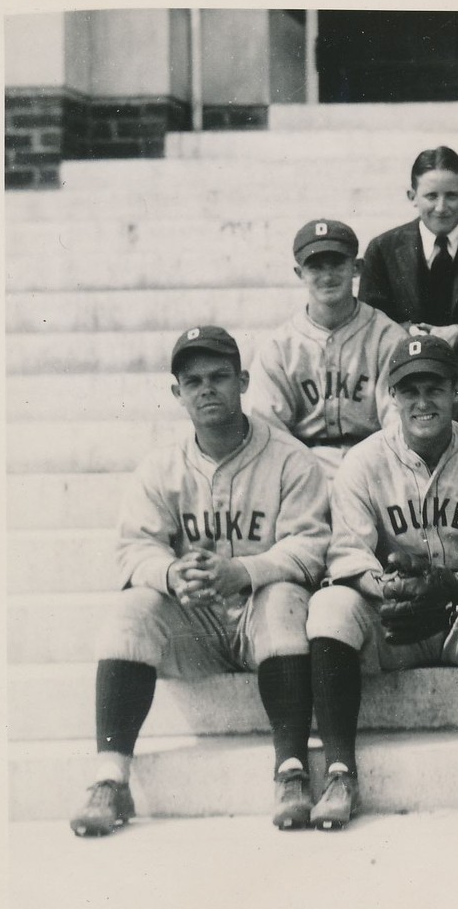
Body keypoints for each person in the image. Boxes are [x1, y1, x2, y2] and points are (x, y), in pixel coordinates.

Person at [70, 326, 329, 836]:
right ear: (177, 393)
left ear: (244, 381)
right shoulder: (162, 467)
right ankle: (110, 778)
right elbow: (132, 548)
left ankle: (292, 770)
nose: (207, 389)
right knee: (131, 609)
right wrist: (169, 572)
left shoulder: (289, 458)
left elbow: (311, 547)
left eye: (219, 377)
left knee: (283, 599)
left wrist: (245, 571)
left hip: (263, 619)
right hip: (199, 627)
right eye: (193, 382)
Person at [304, 337, 458, 831]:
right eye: (409, 391)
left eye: (434, 388)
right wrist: (389, 589)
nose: (422, 402)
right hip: (396, 619)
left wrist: (455, 585)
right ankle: (340, 771)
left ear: (457, 391)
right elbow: (346, 553)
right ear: (392, 397)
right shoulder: (363, 462)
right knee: (330, 607)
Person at [359, 146, 458, 424]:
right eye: (431, 196)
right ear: (412, 197)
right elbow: (370, 322)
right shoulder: (383, 249)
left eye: (451, 195)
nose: (441, 208)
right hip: (407, 361)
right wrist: (408, 332)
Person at [247, 218, 409, 478]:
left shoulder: (387, 337)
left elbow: (397, 424)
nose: (327, 276)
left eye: (336, 264)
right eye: (315, 267)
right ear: (300, 273)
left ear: (356, 268)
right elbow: (269, 431)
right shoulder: (279, 347)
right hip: (300, 470)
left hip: (376, 466)